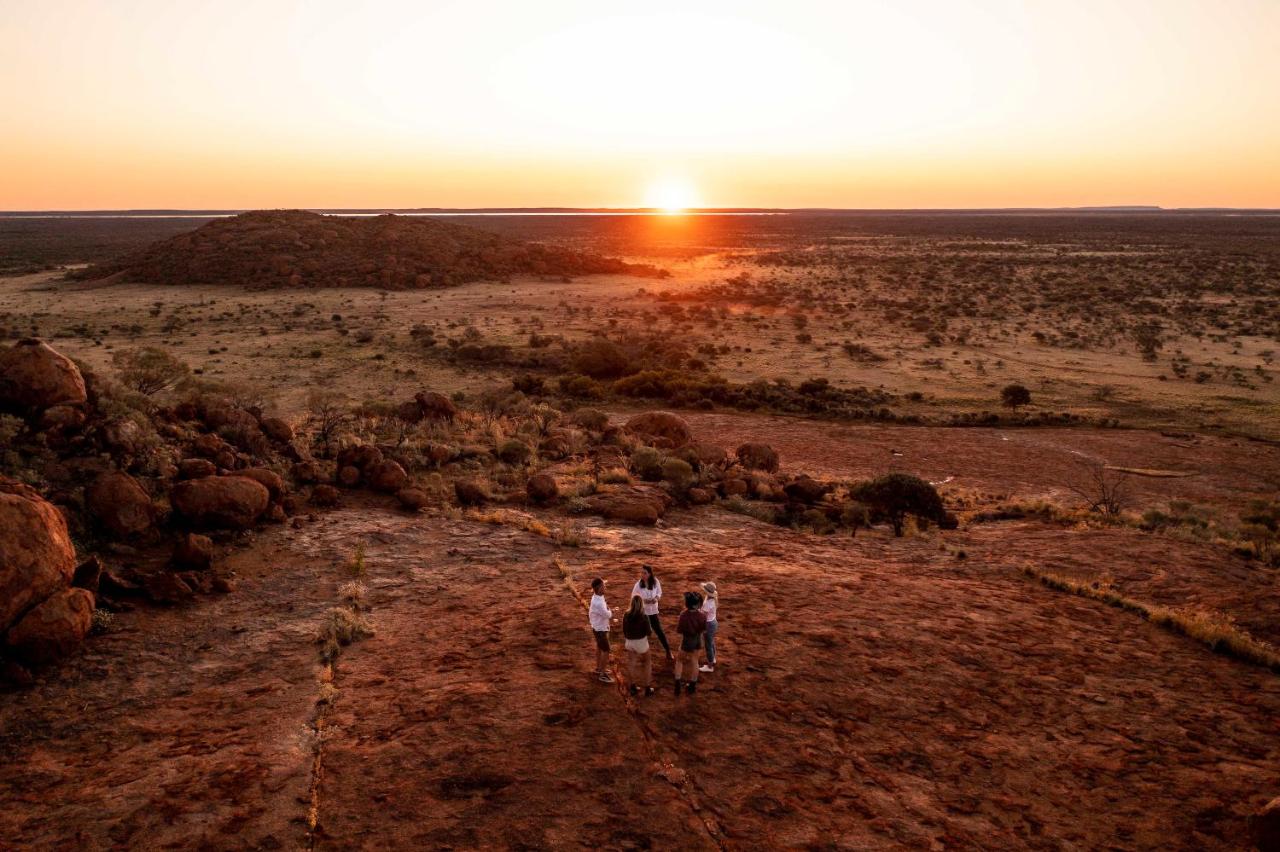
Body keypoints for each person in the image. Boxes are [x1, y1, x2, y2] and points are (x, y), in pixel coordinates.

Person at [632, 564, 672, 660]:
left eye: (644, 573)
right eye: (641, 573)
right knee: (642, 633)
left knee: (659, 631)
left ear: (649, 574)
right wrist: (642, 601)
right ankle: (641, 653)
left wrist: (656, 599)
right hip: (643, 612)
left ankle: (668, 651)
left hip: (653, 611)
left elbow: (659, 592)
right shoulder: (638, 585)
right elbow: (633, 596)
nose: (642, 575)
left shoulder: (655, 582)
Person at [674, 591, 708, 696]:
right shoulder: (702, 615)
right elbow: (704, 629)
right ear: (697, 604)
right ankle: (692, 685)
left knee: (679, 660)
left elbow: (679, 630)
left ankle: (677, 686)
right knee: (695, 662)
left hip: (687, 641)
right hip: (698, 640)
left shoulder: (683, 615)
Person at [622, 595, 655, 697]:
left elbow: (624, 630)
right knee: (647, 663)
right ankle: (648, 688)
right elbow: (649, 632)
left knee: (631, 663)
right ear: (641, 604)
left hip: (629, 642)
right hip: (641, 643)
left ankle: (632, 687)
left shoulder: (626, 615)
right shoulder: (644, 616)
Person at [588, 577, 613, 683]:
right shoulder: (598, 602)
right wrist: (610, 611)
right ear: (599, 588)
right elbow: (608, 614)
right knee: (606, 650)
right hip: (600, 629)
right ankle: (602, 674)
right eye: (603, 586)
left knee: (599, 647)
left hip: (597, 627)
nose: (605, 587)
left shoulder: (597, 597)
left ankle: (599, 668)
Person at [699, 581, 719, 673]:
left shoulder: (708, 602)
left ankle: (710, 666)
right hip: (713, 622)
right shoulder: (713, 598)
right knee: (711, 643)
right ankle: (713, 659)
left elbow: (704, 616)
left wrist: (697, 611)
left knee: (708, 645)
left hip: (708, 625)